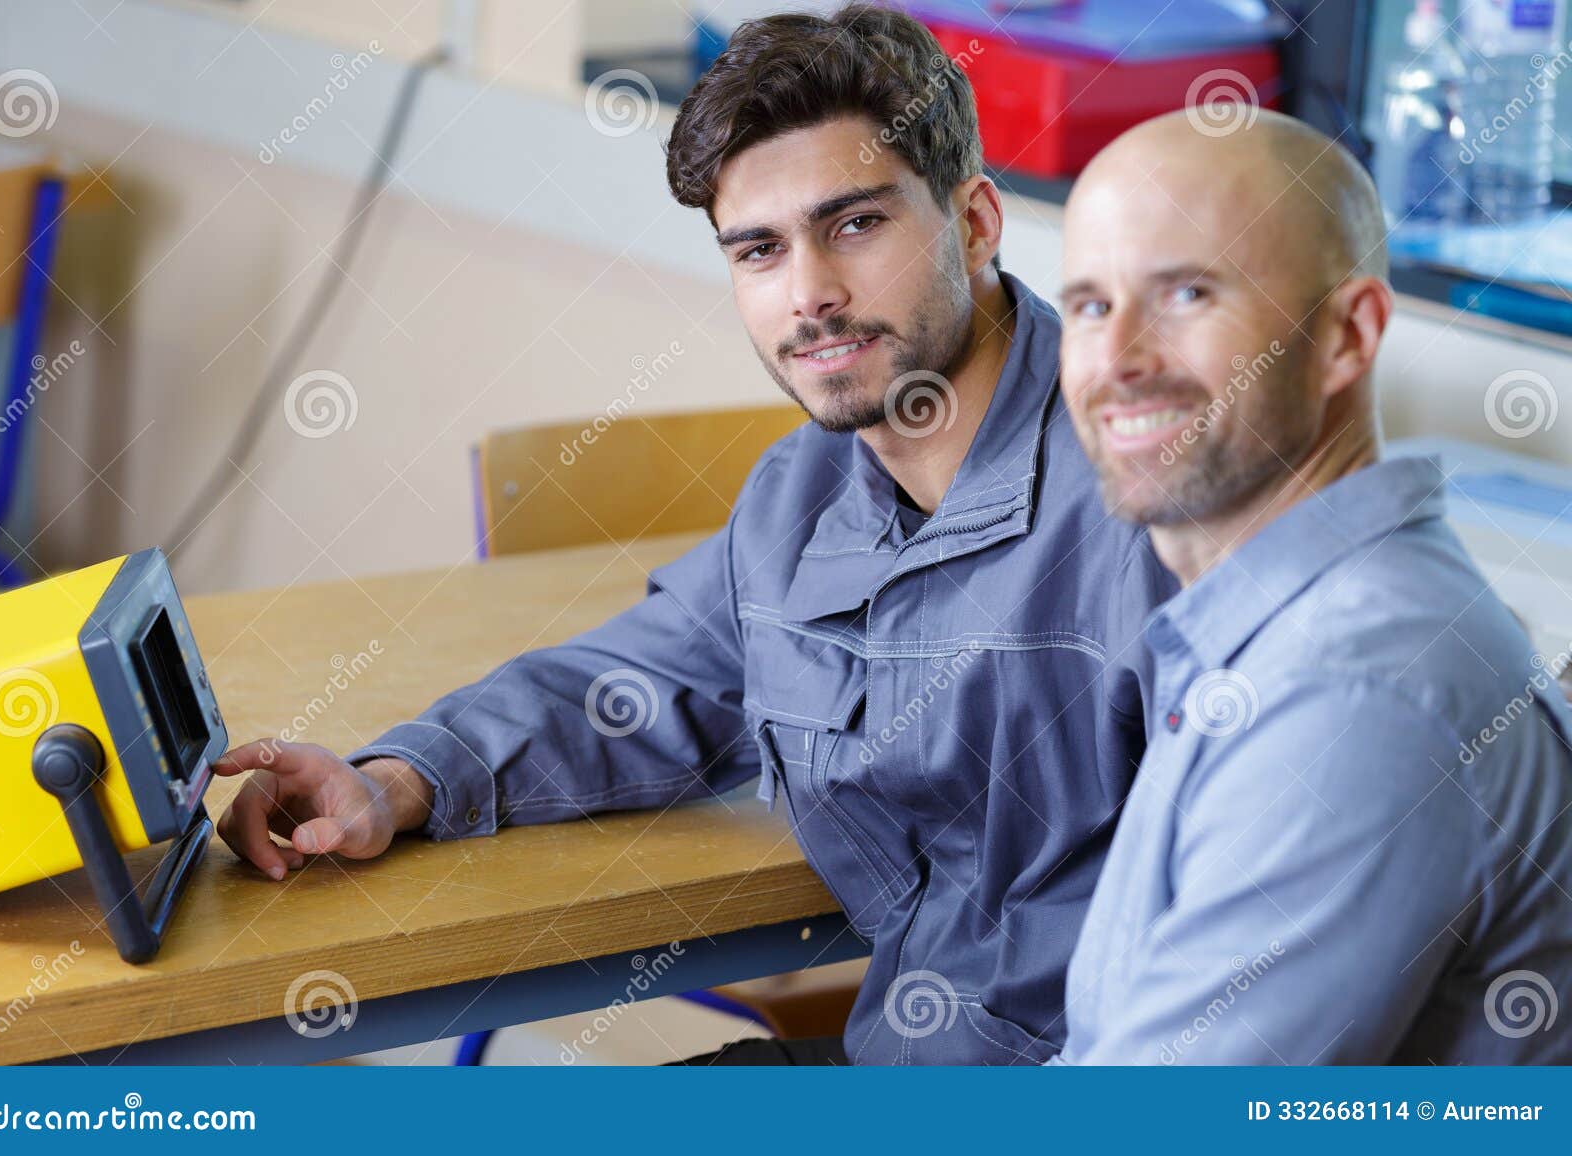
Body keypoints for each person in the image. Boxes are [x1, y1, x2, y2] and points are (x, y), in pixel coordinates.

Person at [212, 5, 1176, 1065]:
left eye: (855, 224)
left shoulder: (1154, 510)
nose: (809, 292)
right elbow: (646, 677)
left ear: (977, 222)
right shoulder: (803, 491)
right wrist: (398, 781)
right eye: (760, 250)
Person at [1052, 108, 1572, 1064]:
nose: (1118, 358)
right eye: (1089, 306)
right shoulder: (1273, 624)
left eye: (1188, 294)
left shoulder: (1353, 689)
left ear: (1346, 335)